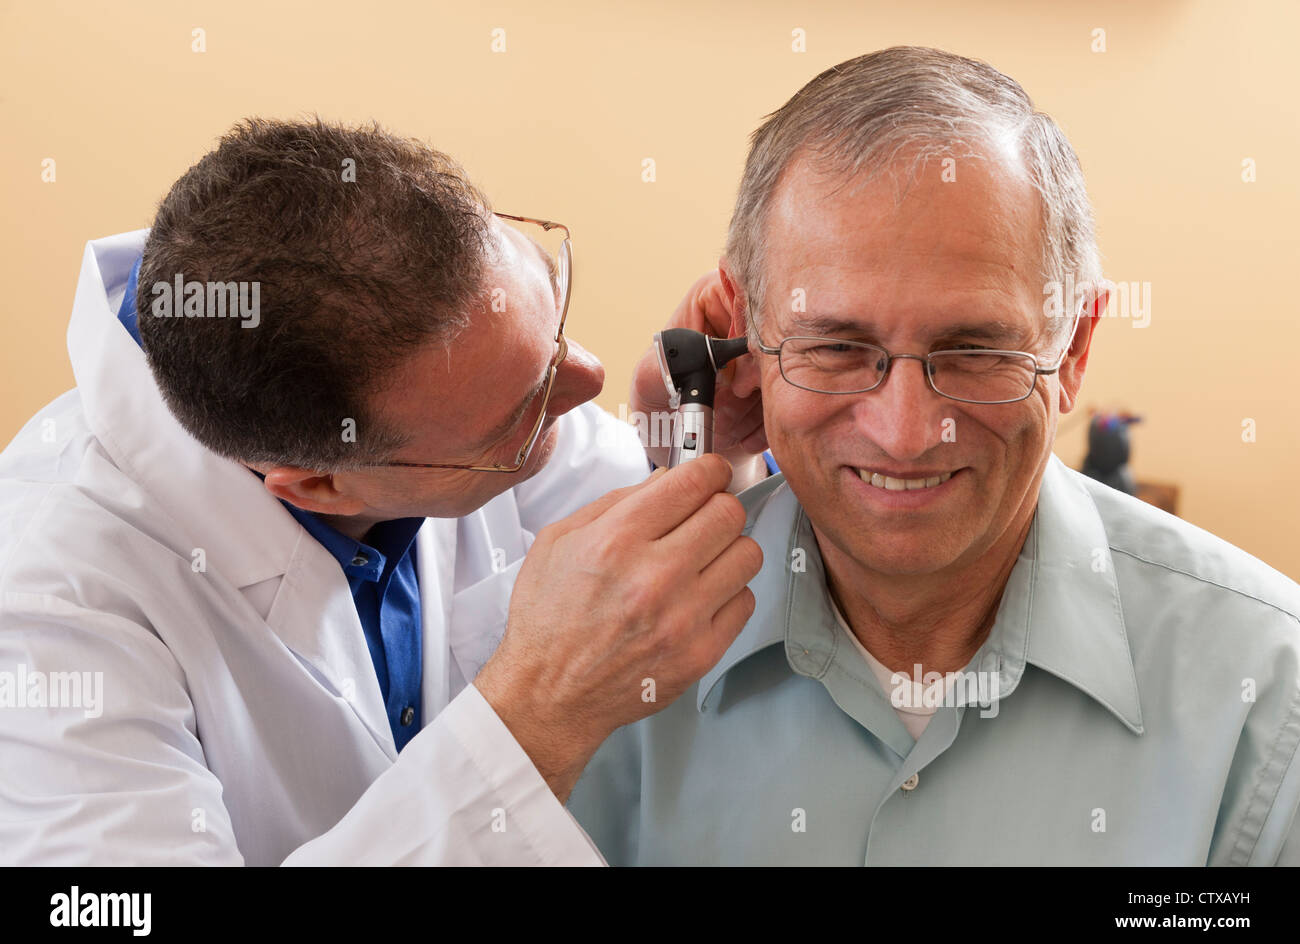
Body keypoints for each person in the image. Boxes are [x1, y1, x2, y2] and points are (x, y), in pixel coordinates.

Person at [568, 46, 1300, 865]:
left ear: (1076, 347)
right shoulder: (600, 675)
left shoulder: (1270, 698)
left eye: (973, 350)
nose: (907, 432)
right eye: (839, 347)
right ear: (745, 331)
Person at [0, 118, 767, 865]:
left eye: (554, 317)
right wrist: (537, 717)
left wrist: (702, 440)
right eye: (527, 408)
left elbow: (631, 525)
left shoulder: (424, 388)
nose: (593, 379)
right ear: (320, 484)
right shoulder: (50, 614)